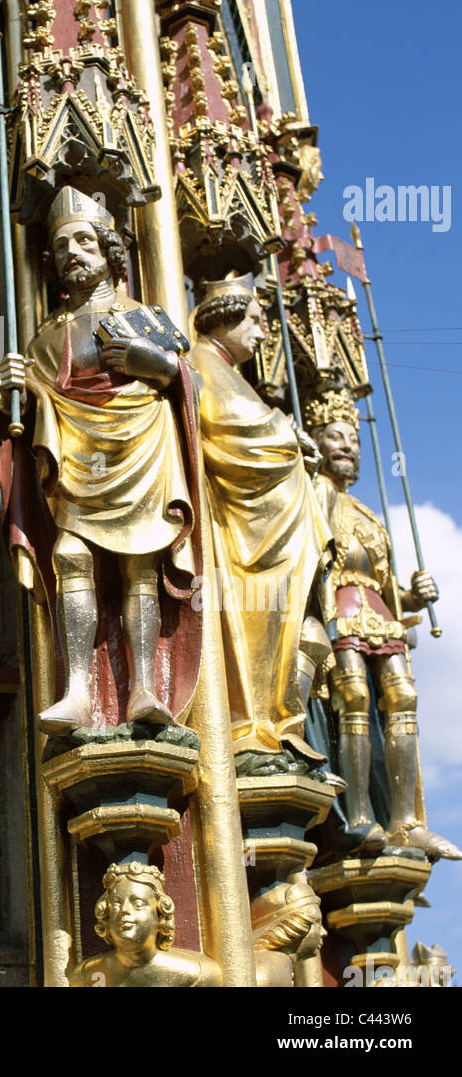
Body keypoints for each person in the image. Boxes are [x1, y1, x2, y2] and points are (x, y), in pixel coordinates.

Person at [0, 187, 197, 734]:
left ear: (109, 250)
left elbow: (190, 386)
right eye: (61, 248)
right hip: (77, 459)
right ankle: (78, 692)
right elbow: (27, 407)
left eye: (85, 241)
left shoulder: (145, 317)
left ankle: (146, 691)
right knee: (69, 555)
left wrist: (151, 362)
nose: (73, 254)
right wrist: (9, 390)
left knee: (139, 566)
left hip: (140, 451)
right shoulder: (46, 335)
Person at [309, 393, 460, 860]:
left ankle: (405, 821)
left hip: (378, 610)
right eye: (335, 436)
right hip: (341, 608)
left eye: (353, 440)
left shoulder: (369, 514)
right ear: (316, 441)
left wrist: (415, 594)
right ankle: (358, 816)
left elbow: (386, 583)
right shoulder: (317, 493)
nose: (347, 447)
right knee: (352, 697)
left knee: (403, 698)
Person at [189, 274, 332, 763]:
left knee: (305, 635)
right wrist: (287, 433)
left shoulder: (231, 372)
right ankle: (251, 726)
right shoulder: (204, 364)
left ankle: (280, 724)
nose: (263, 332)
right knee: (263, 621)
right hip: (248, 544)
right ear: (222, 317)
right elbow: (234, 434)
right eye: (253, 319)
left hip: (271, 539)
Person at [70, 861, 220, 987]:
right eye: (116, 904)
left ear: (160, 916)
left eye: (138, 903)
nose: (124, 911)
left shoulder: (196, 976)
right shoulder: (84, 978)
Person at [251, 880, 325, 987]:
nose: (324, 933)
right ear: (295, 925)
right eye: (317, 923)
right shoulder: (273, 966)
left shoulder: (280, 964)